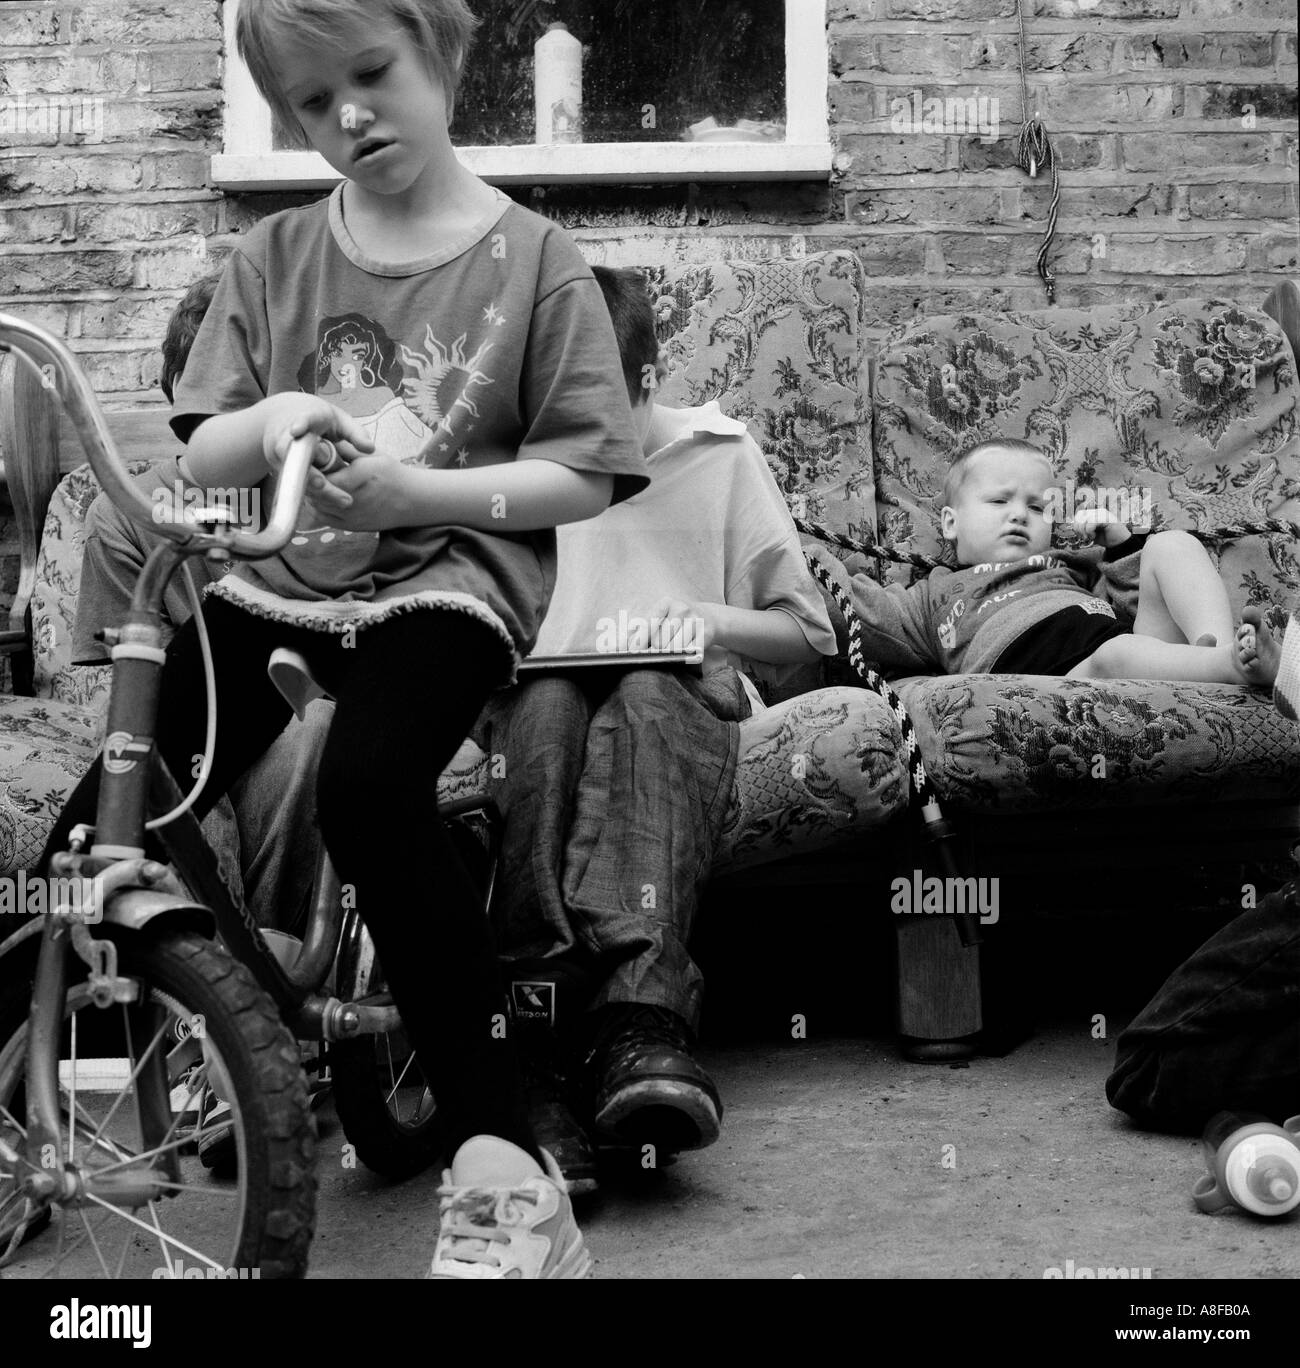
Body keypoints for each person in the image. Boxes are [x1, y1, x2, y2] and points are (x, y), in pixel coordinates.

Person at [38, 0, 650, 1280]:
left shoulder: (538, 263)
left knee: (373, 789)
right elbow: (203, 442)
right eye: (315, 103)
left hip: (450, 581)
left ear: (445, 57)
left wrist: (419, 495)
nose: (350, 116)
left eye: (371, 76)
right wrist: (274, 424)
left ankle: (504, 1168)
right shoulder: (271, 257)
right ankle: (108, 1072)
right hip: (274, 580)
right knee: (108, 806)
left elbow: (583, 475)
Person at [480, 266, 837, 1192]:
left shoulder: (717, 454)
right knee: (551, 708)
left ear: (645, 383)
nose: (574, 433)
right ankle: (546, 1045)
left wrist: (701, 619)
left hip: (678, 693)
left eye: (595, 404)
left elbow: (809, 635)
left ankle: (639, 1026)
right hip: (538, 697)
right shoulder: (509, 468)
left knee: (642, 690)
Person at [71, 274, 329, 937]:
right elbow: (116, 687)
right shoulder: (122, 516)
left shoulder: (315, 503)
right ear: (179, 404)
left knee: (308, 738)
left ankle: (271, 966)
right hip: (187, 725)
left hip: (289, 722)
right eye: (218, 404)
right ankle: (195, 974)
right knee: (176, 784)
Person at [815, 438, 1279, 687]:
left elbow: (1136, 607)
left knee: (1171, 544)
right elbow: (854, 607)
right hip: (1064, 677)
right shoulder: (932, 596)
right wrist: (788, 546)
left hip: (1133, 651)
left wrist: (1119, 548)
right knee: (1115, 657)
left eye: (1037, 508)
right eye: (999, 501)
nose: (1020, 513)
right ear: (950, 523)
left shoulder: (1069, 565)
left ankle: (1214, 651)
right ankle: (1234, 669)